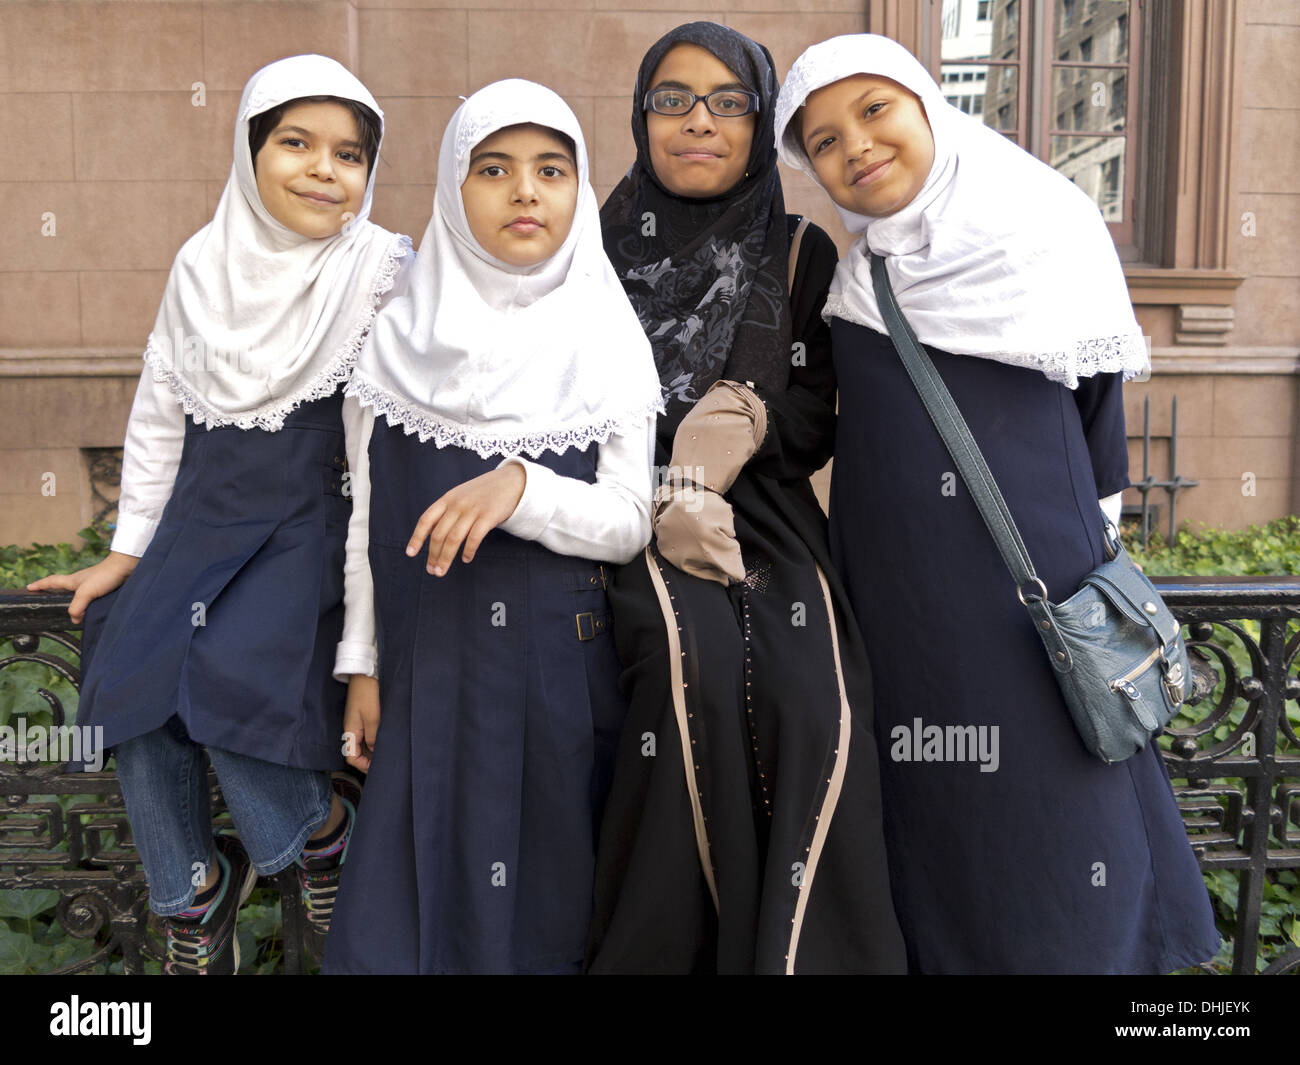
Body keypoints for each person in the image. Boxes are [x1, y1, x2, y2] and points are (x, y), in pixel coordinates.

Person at [772, 33, 1222, 973]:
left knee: (1059, 822)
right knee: (934, 823)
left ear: (928, 107)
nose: (855, 146)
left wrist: (1091, 563)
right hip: (898, 610)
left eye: (874, 110)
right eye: (823, 141)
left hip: (1036, 598)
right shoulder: (859, 282)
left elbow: (1099, 414)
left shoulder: (1040, 228)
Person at [27, 54, 411, 975]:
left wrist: (366, 638)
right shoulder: (202, 263)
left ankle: (319, 833)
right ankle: (193, 898)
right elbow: (160, 413)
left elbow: (378, 455)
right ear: (249, 151)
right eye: (296, 143)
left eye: (349, 154)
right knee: (130, 666)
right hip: (199, 519)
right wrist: (126, 550)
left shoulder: (378, 269)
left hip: (306, 521)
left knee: (228, 672)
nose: (324, 169)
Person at [322, 79, 663, 975]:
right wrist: (362, 664)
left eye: (552, 170)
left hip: (559, 680)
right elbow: (365, 517)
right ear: (452, 187)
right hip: (424, 671)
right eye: (494, 169)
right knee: (402, 925)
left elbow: (630, 519)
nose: (525, 192)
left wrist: (524, 488)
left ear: (579, 189)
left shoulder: (607, 333)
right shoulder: (396, 339)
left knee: (545, 919)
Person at [586, 22, 906, 974]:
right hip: (622, 499)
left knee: (812, 695)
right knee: (687, 670)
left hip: (764, 519)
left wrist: (743, 425)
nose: (700, 122)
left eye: (729, 103)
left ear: (761, 126)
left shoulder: (800, 251)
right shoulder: (587, 251)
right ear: (641, 116)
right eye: (673, 100)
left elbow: (815, 418)